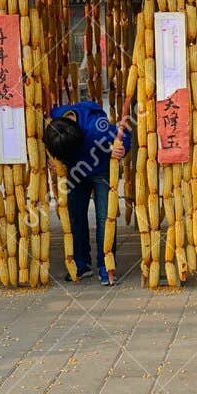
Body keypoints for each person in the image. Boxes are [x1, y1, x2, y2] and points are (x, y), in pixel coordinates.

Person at [48, 99, 132, 285]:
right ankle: (81, 263)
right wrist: (53, 158)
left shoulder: (97, 129)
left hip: (101, 170)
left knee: (104, 218)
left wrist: (121, 149)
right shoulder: (56, 118)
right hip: (75, 172)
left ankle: (106, 266)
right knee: (75, 216)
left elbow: (124, 136)